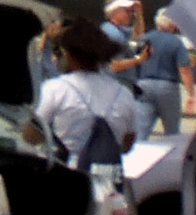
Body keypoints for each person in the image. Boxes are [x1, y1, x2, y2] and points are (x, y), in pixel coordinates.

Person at [26, 17, 138, 164]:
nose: (55, 58)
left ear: (67, 53)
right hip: (108, 179)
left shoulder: (56, 88)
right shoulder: (124, 93)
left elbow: (32, 136)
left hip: (68, 174)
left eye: (58, 52)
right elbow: (127, 144)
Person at [134, 9, 192, 139]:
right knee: (172, 131)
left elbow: (134, 61)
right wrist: (191, 93)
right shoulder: (176, 42)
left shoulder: (144, 38)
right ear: (173, 24)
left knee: (141, 130)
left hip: (143, 85)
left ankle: (136, 155)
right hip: (167, 87)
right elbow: (184, 69)